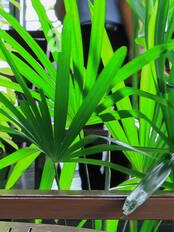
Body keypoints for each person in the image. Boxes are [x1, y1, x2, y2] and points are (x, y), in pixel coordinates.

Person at [55, 1, 133, 189]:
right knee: (121, 113)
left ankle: (91, 186)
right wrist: (132, 44)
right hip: (111, 35)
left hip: (79, 37)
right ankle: (117, 185)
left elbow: (60, 10)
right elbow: (125, 5)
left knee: (87, 117)